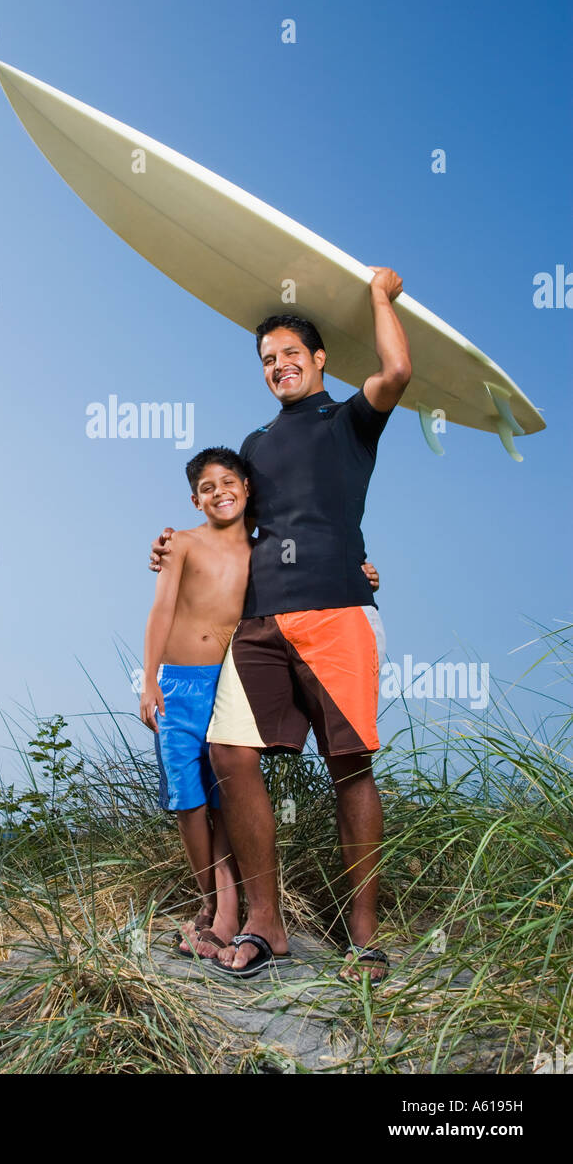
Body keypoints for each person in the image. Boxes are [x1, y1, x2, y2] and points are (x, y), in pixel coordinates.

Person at [150, 267, 410, 983]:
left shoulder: (352, 419)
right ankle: (267, 925)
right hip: (260, 620)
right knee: (230, 754)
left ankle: (363, 938)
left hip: (337, 613)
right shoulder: (256, 443)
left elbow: (399, 368)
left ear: (320, 360)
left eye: (291, 354)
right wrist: (178, 547)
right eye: (267, 360)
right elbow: (238, 526)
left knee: (349, 767)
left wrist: (380, 299)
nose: (279, 367)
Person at [142, 446, 382, 962]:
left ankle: (226, 909)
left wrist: (358, 574)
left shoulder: (261, 551)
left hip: (225, 676)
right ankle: (211, 904)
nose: (220, 492)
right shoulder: (181, 543)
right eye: (207, 488)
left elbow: (308, 564)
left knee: (226, 787)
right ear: (194, 499)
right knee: (188, 795)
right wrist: (148, 681)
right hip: (178, 684)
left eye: (229, 483)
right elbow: (161, 608)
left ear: (247, 489)